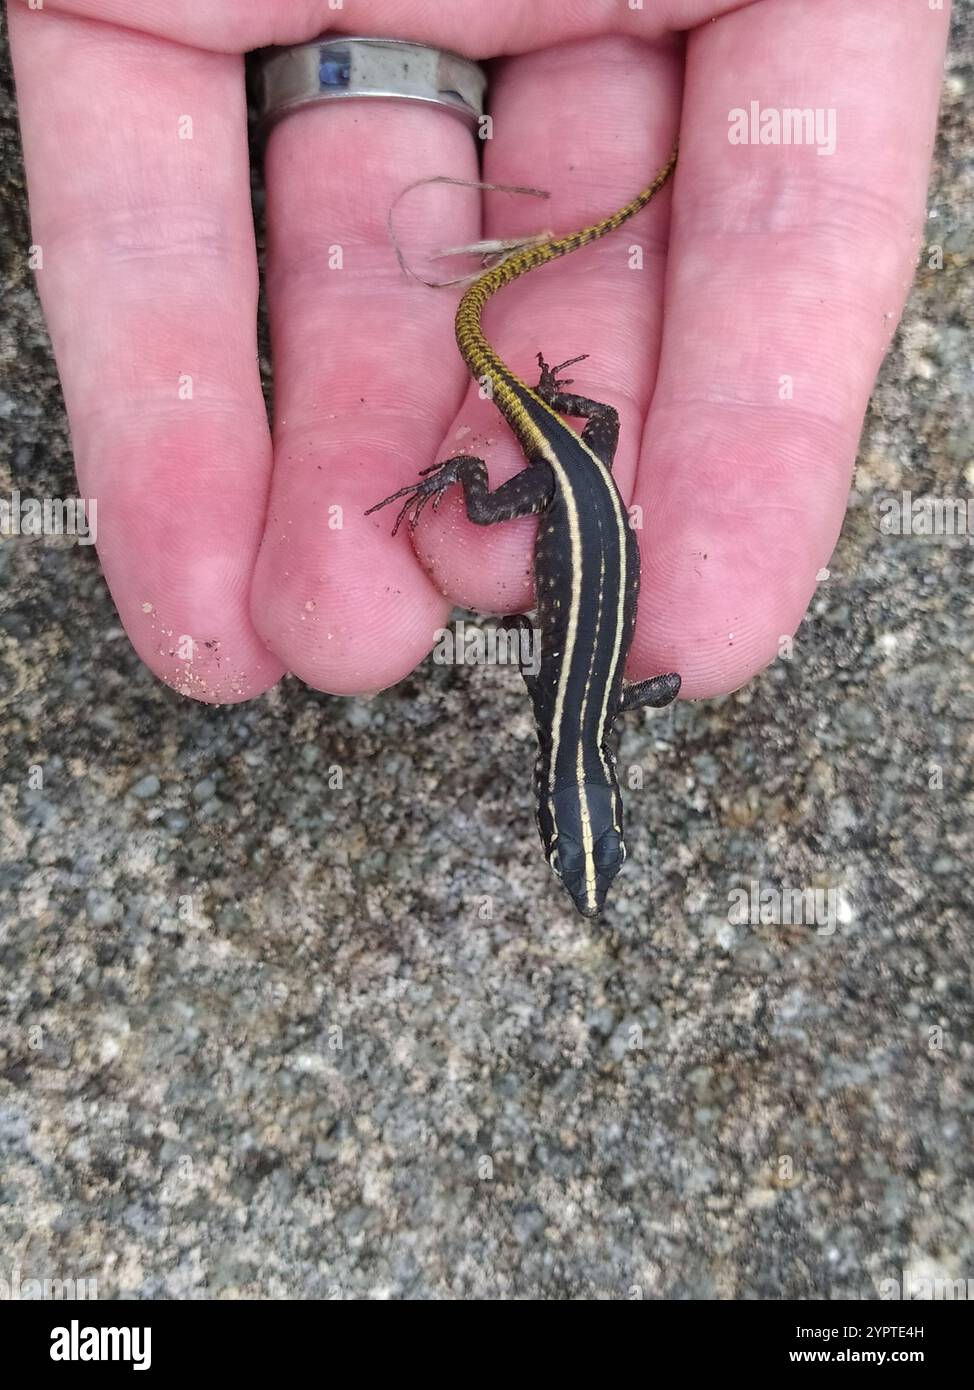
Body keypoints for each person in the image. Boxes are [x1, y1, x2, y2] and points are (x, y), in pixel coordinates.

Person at [8, 1, 950, 704]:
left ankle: (486, 446)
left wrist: (550, 401)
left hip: (578, 457)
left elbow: (647, 683)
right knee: (487, 523)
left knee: (524, 506)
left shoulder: (598, 692)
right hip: (559, 469)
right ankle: (457, 469)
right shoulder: (580, 699)